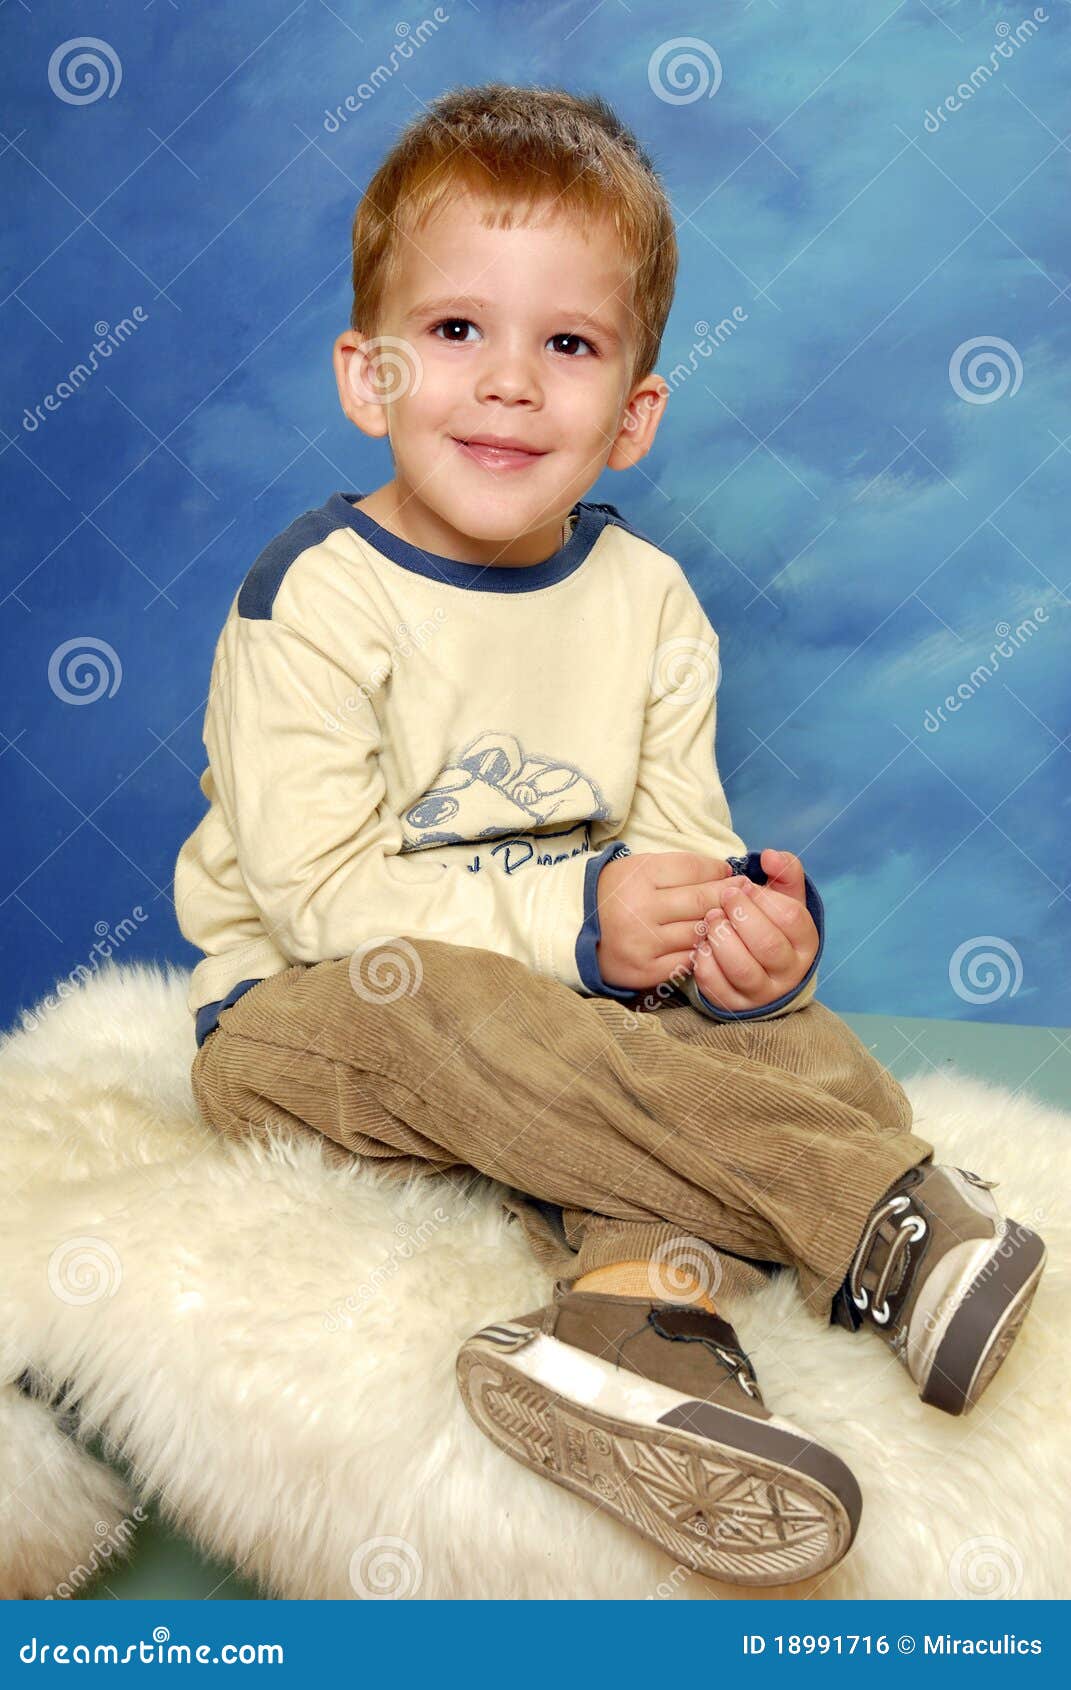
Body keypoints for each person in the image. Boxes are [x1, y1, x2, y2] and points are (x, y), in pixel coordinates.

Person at [176, 82, 1046, 1588]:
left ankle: (639, 1331)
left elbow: (679, 846)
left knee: (769, 1046)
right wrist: (582, 922)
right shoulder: (310, 601)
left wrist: (739, 944)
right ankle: (876, 1219)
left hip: (565, 1017)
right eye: (457, 329)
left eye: (568, 345)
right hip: (311, 1016)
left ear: (633, 415)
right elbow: (318, 899)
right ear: (368, 376)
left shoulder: (650, 604)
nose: (511, 384)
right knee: (443, 1002)